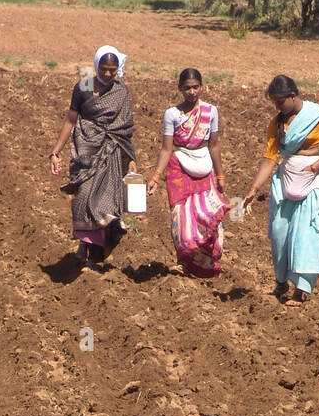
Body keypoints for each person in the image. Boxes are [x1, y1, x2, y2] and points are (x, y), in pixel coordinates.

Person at [242, 74, 319, 305]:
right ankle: (281, 282)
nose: (277, 107)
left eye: (280, 102)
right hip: (286, 180)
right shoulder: (277, 122)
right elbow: (270, 158)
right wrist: (254, 188)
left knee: (306, 235)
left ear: (293, 95)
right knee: (280, 233)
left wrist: (317, 165)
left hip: (313, 181)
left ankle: (301, 290)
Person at [50, 45, 138, 267]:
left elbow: (124, 129)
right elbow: (71, 120)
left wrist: (132, 159)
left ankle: (101, 251)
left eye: (112, 69)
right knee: (83, 199)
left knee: (106, 206)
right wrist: (56, 151)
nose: (108, 74)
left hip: (111, 154)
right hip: (87, 152)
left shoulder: (120, 91)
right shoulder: (84, 86)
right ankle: (84, 245)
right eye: (104, 69)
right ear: (96, 65)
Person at [147, 68, 230, 278]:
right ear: (180, 89)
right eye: (187, 88)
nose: (192, 92)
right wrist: (156, 176)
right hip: (178, 168)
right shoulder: (172, 114)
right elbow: (166, 148)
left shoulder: (210, 112)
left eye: (195, 87)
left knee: (205, 213)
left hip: (203, 166)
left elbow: (214, 146)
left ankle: (204, 259)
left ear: (201, 87)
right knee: (182, 215)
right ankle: (184, 262)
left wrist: (220, 176)